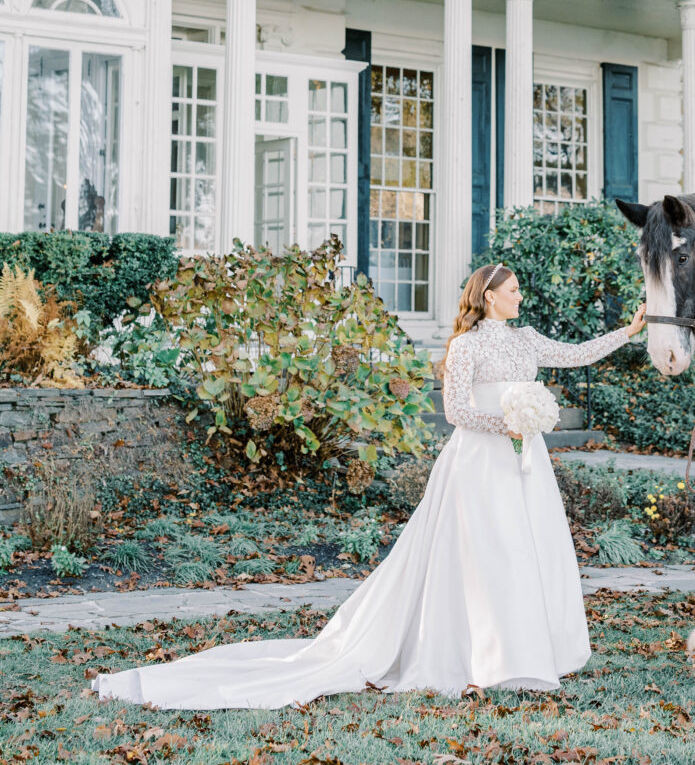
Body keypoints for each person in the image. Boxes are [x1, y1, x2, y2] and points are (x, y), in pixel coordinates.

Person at [91, 263, 646, 708]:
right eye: (515, 290)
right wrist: (508, 422)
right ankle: (484, 657)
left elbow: (576, 355)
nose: (522, 297)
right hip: (480, 464)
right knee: (487, 558)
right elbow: (454, 411)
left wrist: (629, 330)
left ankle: (526, 657)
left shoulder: (526, 341)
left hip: (528, 464)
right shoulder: (465, 347)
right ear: (490, 296)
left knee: (528, 554)